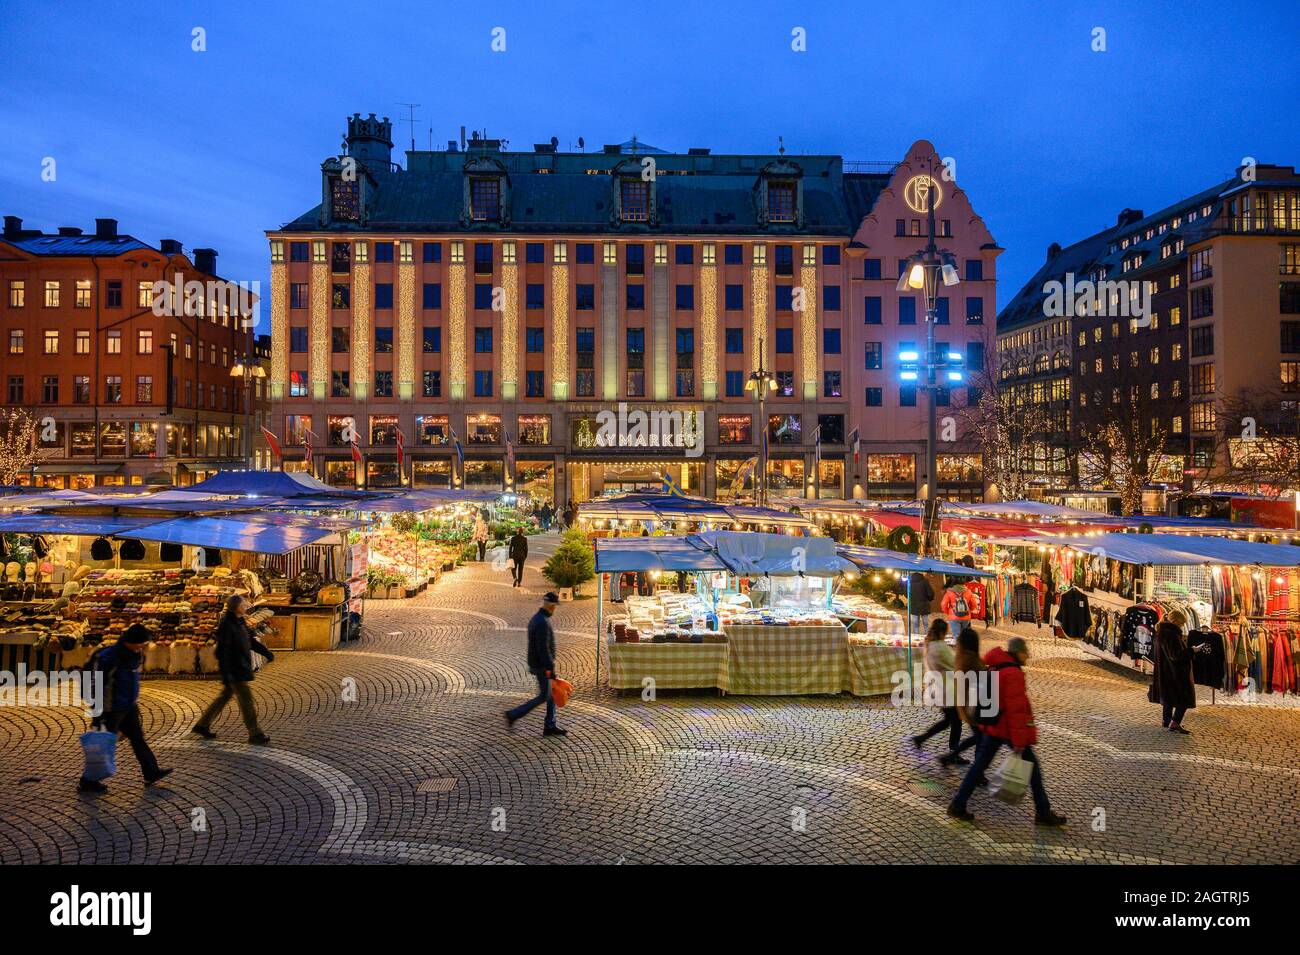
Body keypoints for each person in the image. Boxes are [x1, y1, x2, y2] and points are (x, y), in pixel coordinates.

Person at [947, 636, 1067, 827]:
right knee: (1034, 769)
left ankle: (958, 803)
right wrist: (1020, 741)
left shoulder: (995, 666)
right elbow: (1016, 709)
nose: (1027, 657)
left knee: (979, 766)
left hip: (992, 726)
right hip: (1007, 729)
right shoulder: (1012, 673)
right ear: (1018, 653)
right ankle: (1043, 811)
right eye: (1025, 653)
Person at [79, 623, 172, 793]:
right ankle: (87, 781)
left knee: (138, 738)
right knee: (103, 745)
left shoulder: (134, 654)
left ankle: (151, 772)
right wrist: (98, 713)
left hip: (128, 706)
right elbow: (96, 684)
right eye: (142, 643)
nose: (144, 646)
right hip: (111, 709)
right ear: (132, 641)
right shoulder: (109, 657)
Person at [192, 595, 273, 744]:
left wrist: (266, 653)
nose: (246, 606)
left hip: (239, 666)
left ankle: (202, 725)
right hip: (234, 669)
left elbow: (250, 641)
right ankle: (255, 733)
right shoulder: (227, 625)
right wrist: (227, 672)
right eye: (243, 604)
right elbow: (222, 651)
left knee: (224, 697)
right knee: (246, 701)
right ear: (235, 607)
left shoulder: (240, 621)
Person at [505, 592, 566, 737]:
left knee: (550, 695)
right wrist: (550, 668)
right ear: (551, 606)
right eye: (554, 607)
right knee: (544, 696)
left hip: (538, 664)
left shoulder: (537, 618)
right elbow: (543, 648)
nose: (555, 610)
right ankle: (514, 714)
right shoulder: (543, 623)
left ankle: (550, 725)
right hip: (542, 666)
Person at [911, 619, 966, 763]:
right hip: (948, 689)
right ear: (942, 632)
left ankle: (922, 738)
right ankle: (953, 752)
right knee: (956, 721)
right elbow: (954, 665)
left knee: (949, 720)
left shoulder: (929, 645)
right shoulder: (940, 647)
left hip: (938, 687)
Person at [1150, 618, 1195, 733]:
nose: (1182, 626)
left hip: (1165, 671)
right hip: (1175, 672)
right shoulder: (1171, 635)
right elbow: (1175, 655)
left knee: (1168, 697)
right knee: (1184, 698)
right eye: (1181, 623)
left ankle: (1167, 720)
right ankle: (1175, 722)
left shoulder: (1161, 632)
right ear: (1175, 621)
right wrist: (1191, 651)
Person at [949, 626, 987, 765]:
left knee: (979, 737)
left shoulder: (961, 657)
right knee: (980, 738)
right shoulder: (970, 660)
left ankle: (952, 755)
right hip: (973, 706)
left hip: (966, 704)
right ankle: (977, 770)